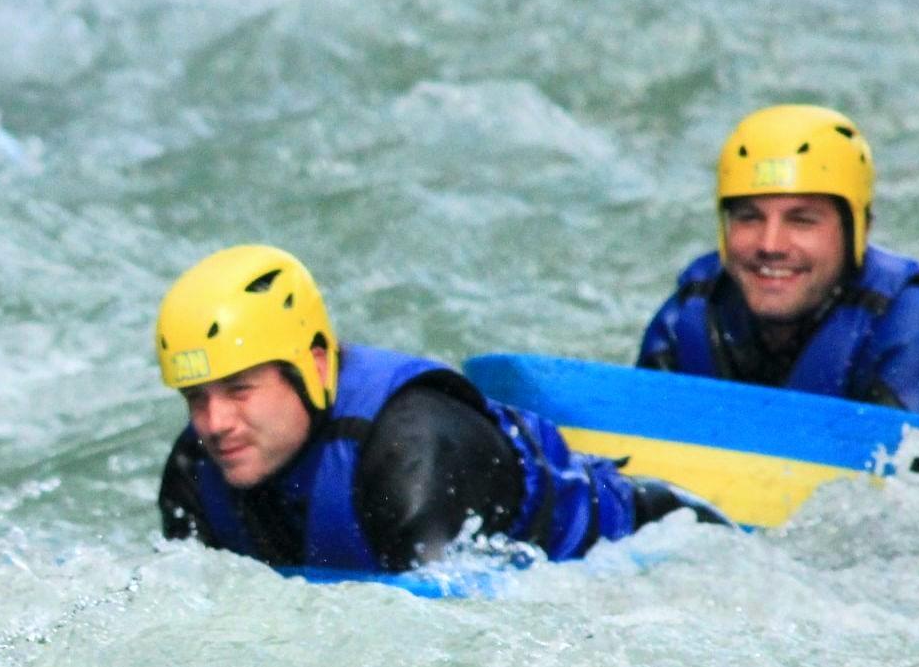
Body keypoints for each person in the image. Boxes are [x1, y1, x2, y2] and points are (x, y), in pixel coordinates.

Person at [155, 245, 720, 572]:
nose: (214, 423)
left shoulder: (411, 452)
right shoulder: (196, 472)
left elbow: (449, 658)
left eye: (240, 390)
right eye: (196, 397)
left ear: (315, 367)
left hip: (658, 549)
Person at [637, 104, 919, 415]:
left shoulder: (917, 328)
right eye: (749, 217)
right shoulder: (687, 319)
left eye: (802, 220)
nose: (770, 244)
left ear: (859, 230)